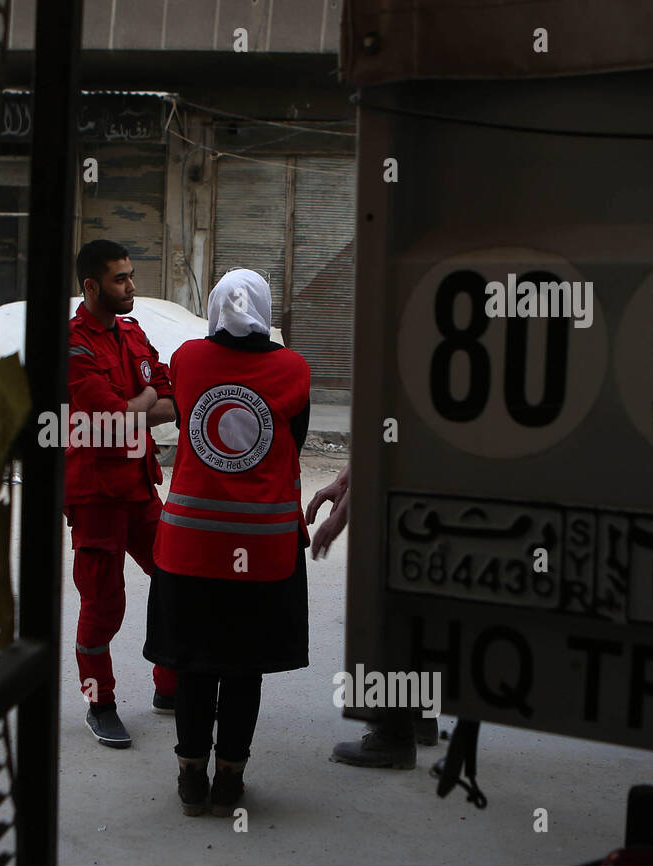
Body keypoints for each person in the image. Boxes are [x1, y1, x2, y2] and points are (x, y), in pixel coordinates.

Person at [144, 269, 312, 815]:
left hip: (191, 546)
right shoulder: (293, 369)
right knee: (244, 668)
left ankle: (190, 778)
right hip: (263, 549)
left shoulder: (188, 359)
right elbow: (295, 443)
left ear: (216, 306)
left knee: (193, 663)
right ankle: (229, 781)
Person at [66, 240, 179, 748]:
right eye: (120, 279)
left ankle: (170, 687)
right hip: (96, 495)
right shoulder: (74, 347)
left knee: (178, 580)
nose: (132, 287)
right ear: (90, 286)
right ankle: (100, 701)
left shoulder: (133, 332)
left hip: (139, 486)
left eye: (131, 276)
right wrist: (144, 402)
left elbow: (170, 399)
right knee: (103, 605)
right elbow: (109, 416)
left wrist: (143, 401)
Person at [305, 465, 438, 767]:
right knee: (418, 604)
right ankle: (419, 717)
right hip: (432, 495)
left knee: (390, 611)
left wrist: (339, 517)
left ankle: (393, 736)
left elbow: (383, 445)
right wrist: (344, 480)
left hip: (403, 497)